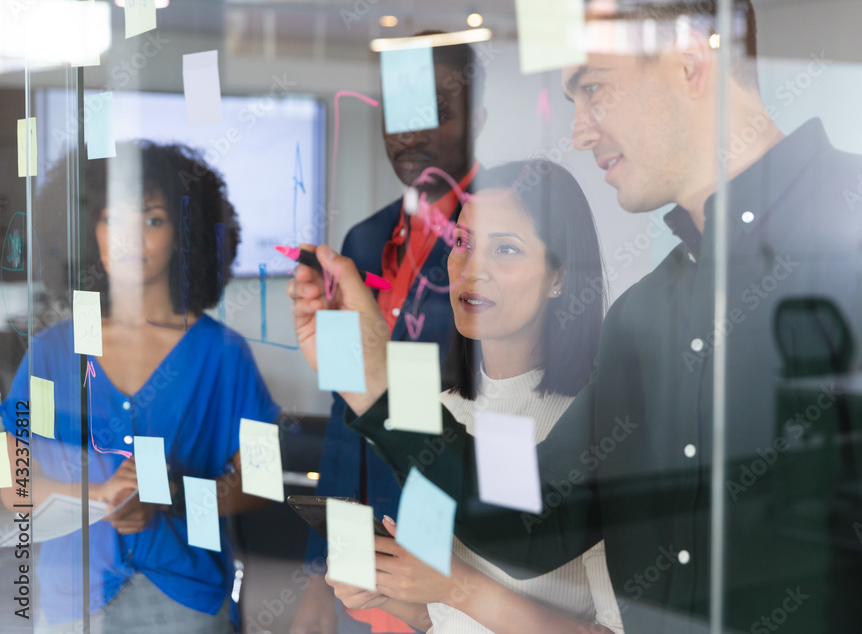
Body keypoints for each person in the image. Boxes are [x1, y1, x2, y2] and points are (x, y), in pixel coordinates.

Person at [290, 0, 862, 634]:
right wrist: (372, 377)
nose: (579, 130)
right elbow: (532, 521)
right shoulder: (645, 313)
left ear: (692, 62)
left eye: (593, 89)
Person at [325, 160, 624, 633]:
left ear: (559, 277)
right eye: (462, 243)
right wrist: (385, 588)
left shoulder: (593, 426)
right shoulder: (441, 411)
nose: (471, 269)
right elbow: (440, 616)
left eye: (505, 249)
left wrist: (454, 586)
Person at [0, 141, 280, 633]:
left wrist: (170, 498)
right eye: (114, 218)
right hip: (73, 599)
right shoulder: (50, 353)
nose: (130, 238)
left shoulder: (224, 354)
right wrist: (100, 496)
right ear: (91, 231)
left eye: (152, 219)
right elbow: (12, 483)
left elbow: (261, 481)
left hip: (186, 599)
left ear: (183, 233)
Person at [291, 32, 487, 634]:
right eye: (397, 115)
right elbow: (348, 407)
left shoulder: (498, 236)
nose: (409, 134)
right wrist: (320, 568)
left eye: (436, 111)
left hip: (457, 551)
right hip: (366, 551)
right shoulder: (363, 241)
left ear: (478, 115)